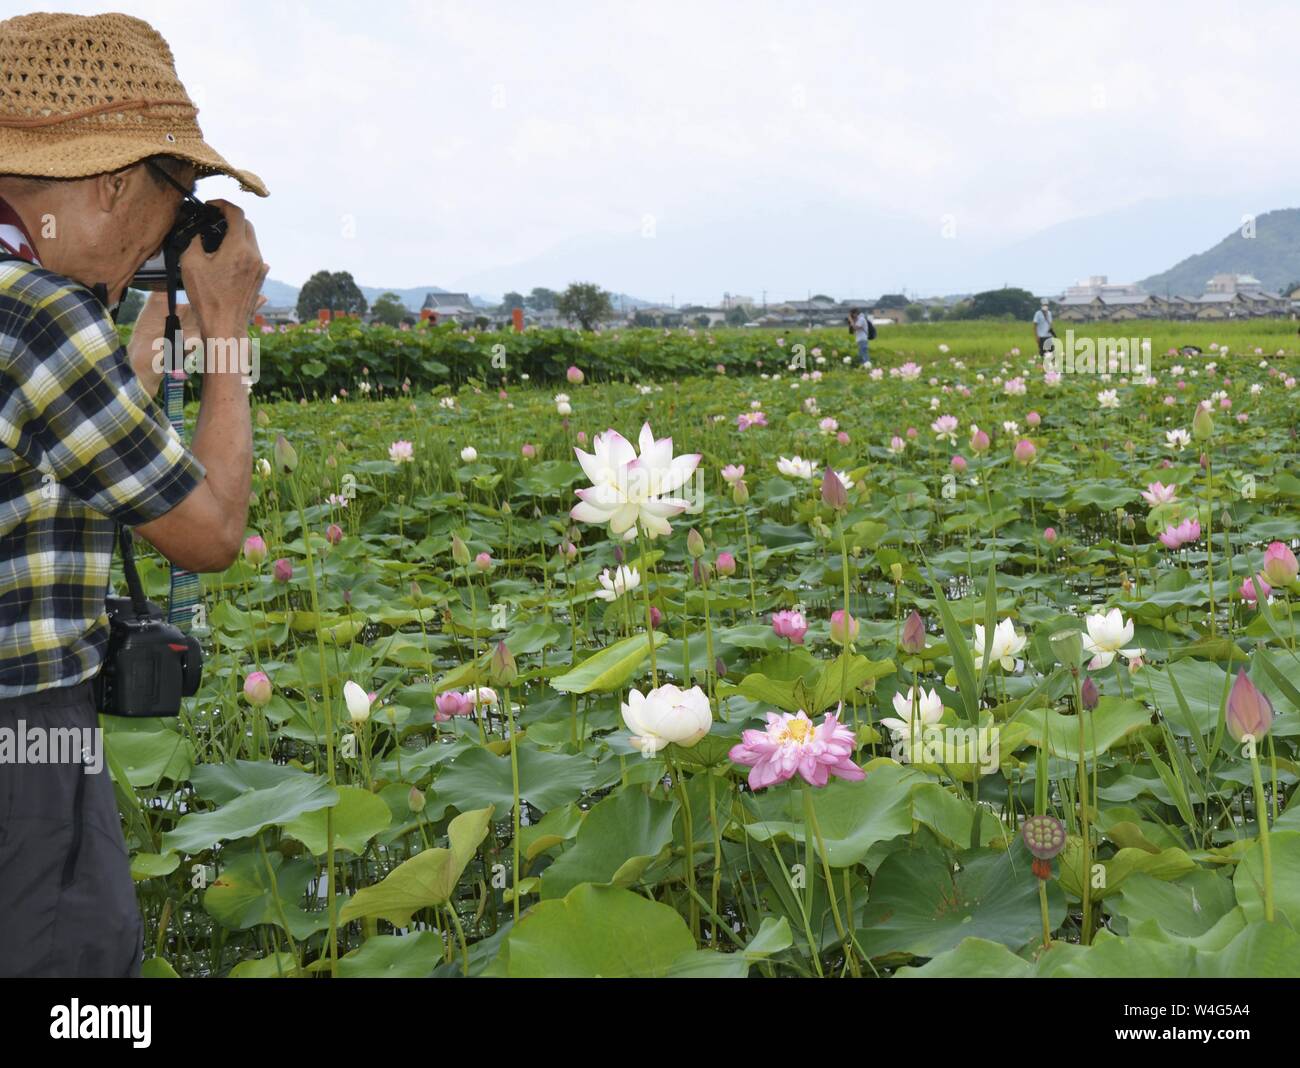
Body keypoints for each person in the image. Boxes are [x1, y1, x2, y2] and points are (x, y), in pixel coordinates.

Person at [0, 12, 269, 977]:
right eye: (180, 194)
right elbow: (208, 534)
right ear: (114, 185)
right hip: (23, 737)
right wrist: (227, 335)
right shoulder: (38, 316)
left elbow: (56, 451)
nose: (181, 220)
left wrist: (142, 337)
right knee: (74, 973)